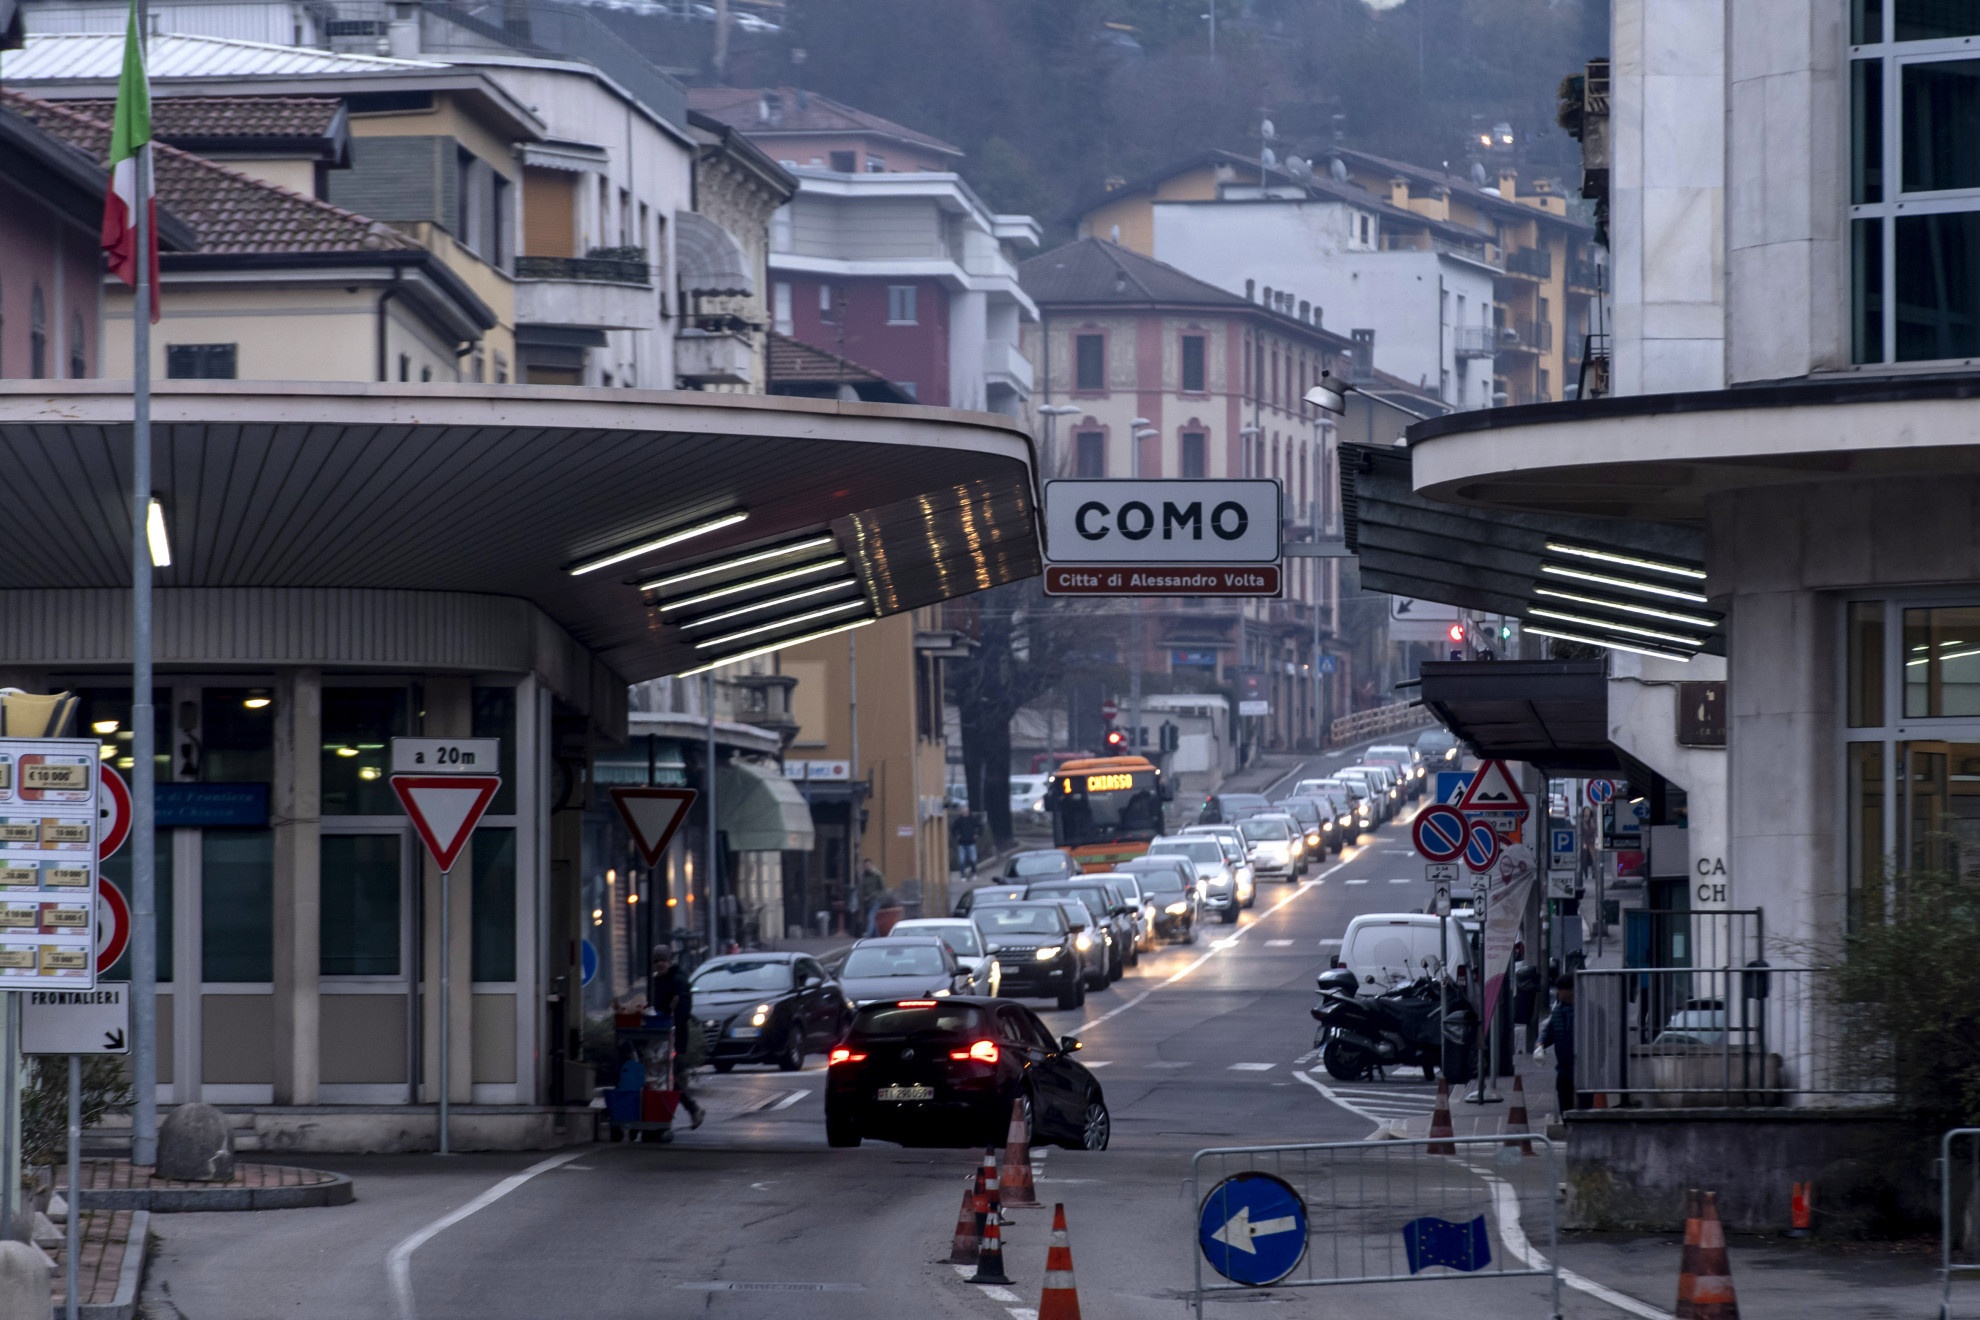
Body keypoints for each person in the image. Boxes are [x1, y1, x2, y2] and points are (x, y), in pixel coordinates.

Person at [647, 949, 704, 1129]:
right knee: (666, 1077)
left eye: (662, 960)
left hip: (673, 1036)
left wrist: (671, 1027)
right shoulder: (658, 981)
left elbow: (683, 1010)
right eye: (656, 961)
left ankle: (690, 1110)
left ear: (669, 961)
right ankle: (674, 1113)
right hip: (660, 1036)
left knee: (669, 1077)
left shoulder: (677, 980)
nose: (659, 964)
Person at [1536, 973, 1579, 1117]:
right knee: (1565, 1109)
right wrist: (1540, 1043)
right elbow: (1549, 1031)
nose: (1558, 992)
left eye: (1561, 989)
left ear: (1571, 990)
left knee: (1583, 1107)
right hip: (1563, 1068)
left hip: (1583, 1068)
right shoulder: (1558, 1011)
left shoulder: (1586, 1011)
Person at [857, 858, 886, 936]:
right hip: (866, 902)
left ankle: (868, 936)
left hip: (875, 900)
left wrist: (879, 897)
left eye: (868, 865)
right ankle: (877, 936)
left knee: (871, 917)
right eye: (865, 865)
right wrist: (860, 900)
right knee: (872, 919)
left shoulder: (877, 875)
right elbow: (861, 889)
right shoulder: (863, 876)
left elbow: (882, 888)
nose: (867, 867)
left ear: (871, 865)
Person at [953, 811, 980, 879]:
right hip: (961, 844)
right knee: (961, 860)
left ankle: (974, 873)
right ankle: (963, 875)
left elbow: (980, 826)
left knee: (973, 859)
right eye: (963, 811)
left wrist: (977, 834)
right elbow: (953, 829)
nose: (964, 812)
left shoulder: (972, 819)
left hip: (971, 843)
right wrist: (957, 835)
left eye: (966, 811)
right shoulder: (959, 820)